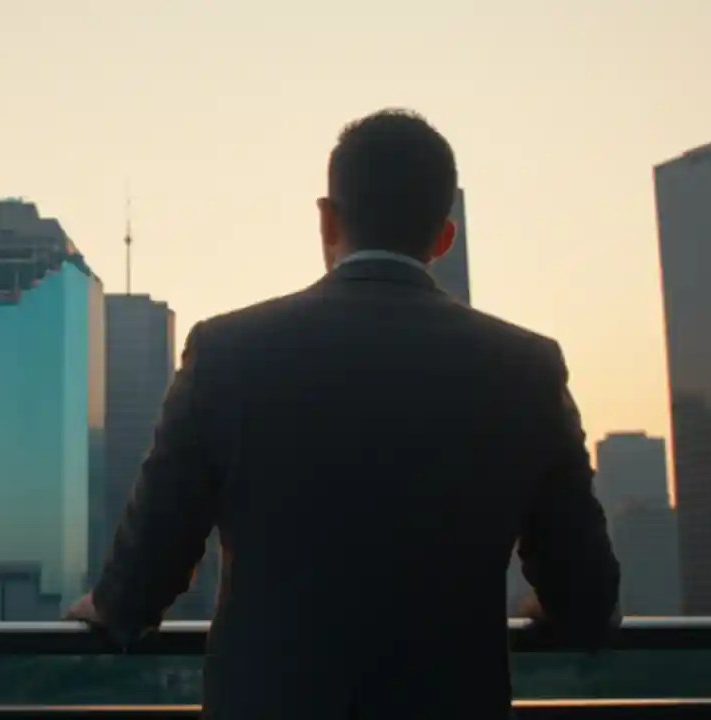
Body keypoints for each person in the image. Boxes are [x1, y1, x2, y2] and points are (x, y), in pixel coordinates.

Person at [66, 108, 620, 719]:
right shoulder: (526, 368)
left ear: (327, 219)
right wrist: (556, 612)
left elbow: (151, 561)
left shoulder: (227, 351)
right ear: (444, 237)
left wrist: (110, 607)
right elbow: (587, 596)